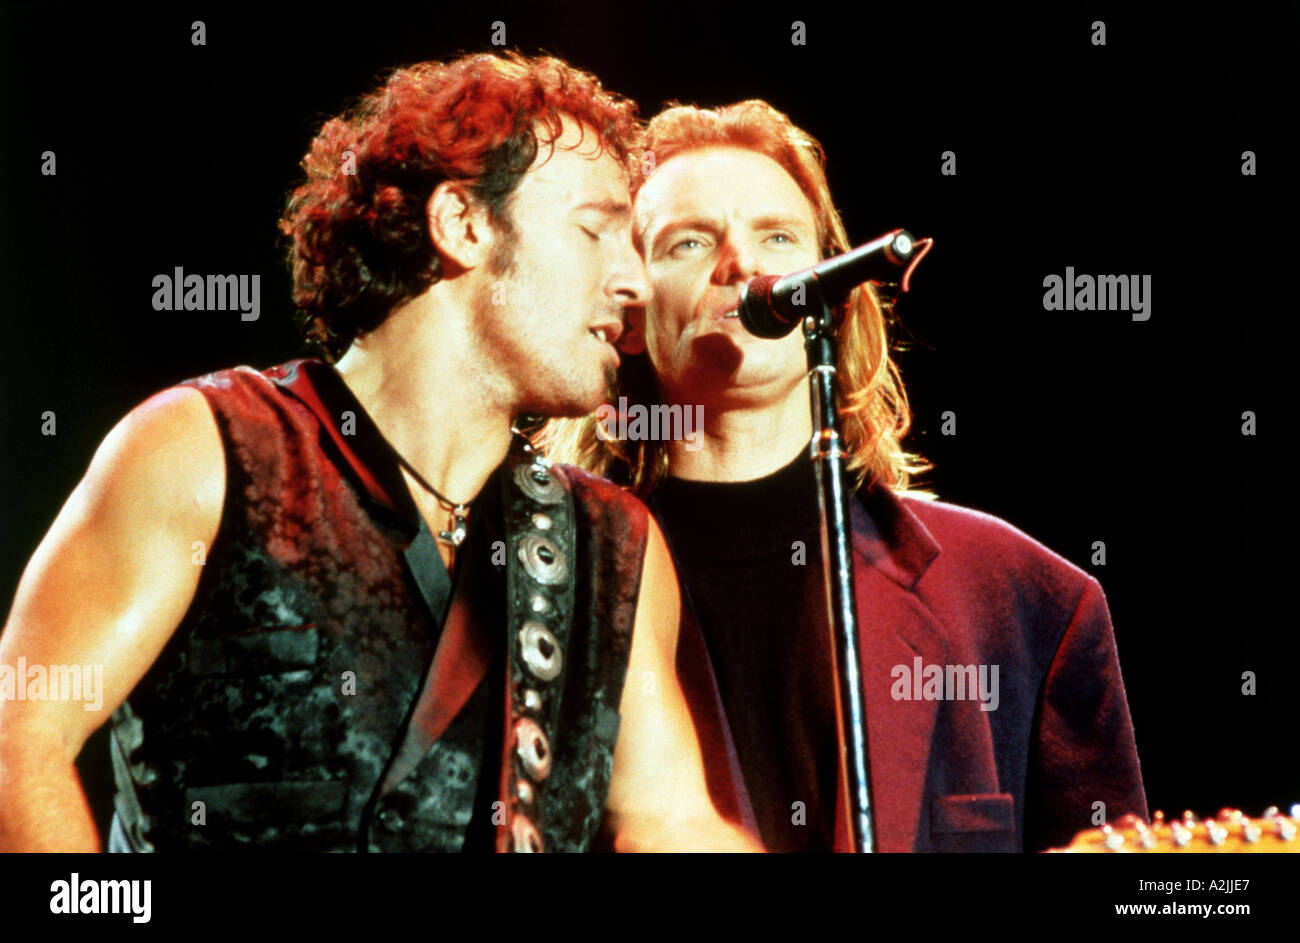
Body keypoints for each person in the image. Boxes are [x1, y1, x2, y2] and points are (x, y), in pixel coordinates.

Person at [0, 54, 760, 853]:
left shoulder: (612, 546)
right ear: (463, 224)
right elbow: (21, 740)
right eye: (596, 231)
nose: (633, 282)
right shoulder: (205, 447)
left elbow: (669, 821)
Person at [543, 100, 1147, 852]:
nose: (743, 265)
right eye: (689, 241)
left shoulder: (1028, 597)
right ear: (628, 312)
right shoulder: (552, 582)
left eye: (779, 237)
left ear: (833, 290)